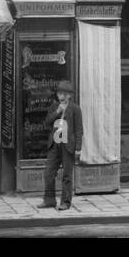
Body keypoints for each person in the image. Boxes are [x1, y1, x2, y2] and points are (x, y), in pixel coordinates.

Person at [42, 80, 82, 211]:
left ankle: (65, 202)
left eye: (65, 94)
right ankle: (49, 200)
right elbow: (47, 123)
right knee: (48, 173)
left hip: (67, 145)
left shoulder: (75, 109)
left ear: (70, 95)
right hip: (55, 144)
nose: (62, 96)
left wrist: (78, 149)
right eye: (59, 93)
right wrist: (57, 112)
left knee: (67, 175)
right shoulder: (54, 107)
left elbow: (79, 130)